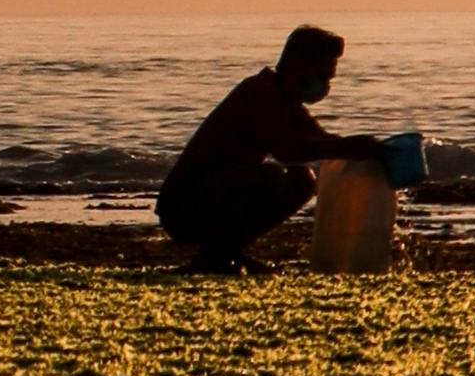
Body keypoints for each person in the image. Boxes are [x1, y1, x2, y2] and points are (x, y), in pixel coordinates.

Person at [157, 25, 388, 272]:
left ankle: (222, 252)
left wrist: (365, 149)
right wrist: (349, 147)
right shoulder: (261, 92)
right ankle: (215, 256)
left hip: (217, 195)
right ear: (299, 67)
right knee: (269, 177)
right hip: (183, 207)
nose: (326, 86)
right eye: (323, 77)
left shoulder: (288, 102)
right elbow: (288, 151)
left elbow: (321, 139)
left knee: (303, 181)